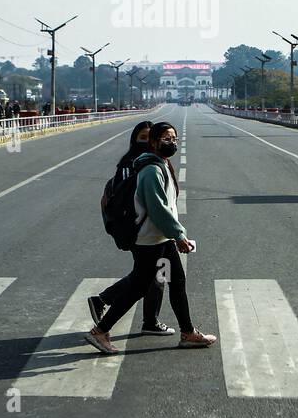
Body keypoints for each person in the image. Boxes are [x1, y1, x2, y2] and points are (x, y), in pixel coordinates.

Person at [85, 122, 216, 353]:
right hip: (149, 241)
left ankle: (187, 333)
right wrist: (179, 235)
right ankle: (100, 331)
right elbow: (158, 209)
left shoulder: (162, 165)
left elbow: (166, 206)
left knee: (177, 282)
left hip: (160, 239)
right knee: (139, 287)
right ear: (154, 143)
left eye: (174, 139)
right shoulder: (151, 171)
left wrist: (173, 235)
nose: (172, 143)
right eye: (166, 139)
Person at [88, 121, 170, 336]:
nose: (146, 142)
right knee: (152, 275)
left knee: (151, 274)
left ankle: (145, 318)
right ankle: (114, 308)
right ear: (134, 139)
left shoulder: (156, 160)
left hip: (155, 229)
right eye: (142, 137)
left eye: (150, 137)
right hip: (141, 229)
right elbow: (129, 200)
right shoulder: (130, 164)